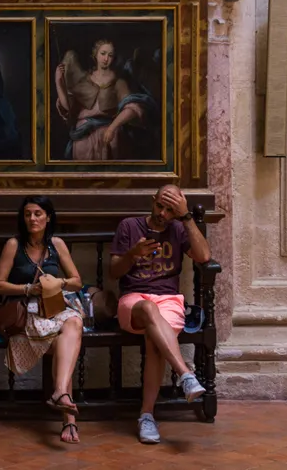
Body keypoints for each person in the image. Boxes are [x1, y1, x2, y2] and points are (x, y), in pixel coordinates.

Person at [108, 185, 211, 444]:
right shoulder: (129, 227)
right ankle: (185, 375)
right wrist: (133, 254)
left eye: (170, 210)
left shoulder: (179, 228)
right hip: (133, 301)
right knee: (148, 308)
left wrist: (186, 217)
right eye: (159, 206)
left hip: (169, 300)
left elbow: (204, 256)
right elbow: (113, 272)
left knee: (155, 341)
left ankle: (147, 417)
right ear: (152, 201)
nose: (162, 213)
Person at [0, 195, 85, 444]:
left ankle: (59, 393)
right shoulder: (14, 245)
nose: (32, 219)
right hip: (28, 312)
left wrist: (59, 282)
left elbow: (77, 281)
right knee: (68, 346)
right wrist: (27, 289)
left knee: (74, 324)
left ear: (48, 217)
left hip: (55, 306)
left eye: (38, 213)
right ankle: (68, 418)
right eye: (27, 214)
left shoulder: (56, 244)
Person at [54, 39, 159, 160]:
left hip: (110, 137)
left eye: (110, 55)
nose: (106, 59)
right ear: (95, 54)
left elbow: (133, 108)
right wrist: (59, 82)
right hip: (83, 136)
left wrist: (113, 127)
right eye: (103, 53)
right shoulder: (83, 81)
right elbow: (67, 107)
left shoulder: (118, 82)